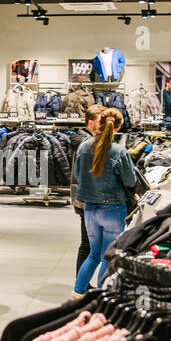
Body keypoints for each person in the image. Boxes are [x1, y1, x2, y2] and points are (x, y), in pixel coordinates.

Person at [73, 106, 137, 295]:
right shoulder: (119, 151)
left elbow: (77, 175)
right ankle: (101, 295)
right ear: (117, 128)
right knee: (107, 257)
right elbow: (130, 181)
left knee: (93, 255)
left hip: (89, 208)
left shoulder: (84, 147)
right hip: (113, 208)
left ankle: (78, 292)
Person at [70, 105, 105, 274]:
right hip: (86, 199)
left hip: (83, 197)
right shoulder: (87, 143)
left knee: (88, 244)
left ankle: (82, 283)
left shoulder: (86, 141)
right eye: (101, 121)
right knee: (88, 245)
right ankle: (81, 284)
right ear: (91, 123)